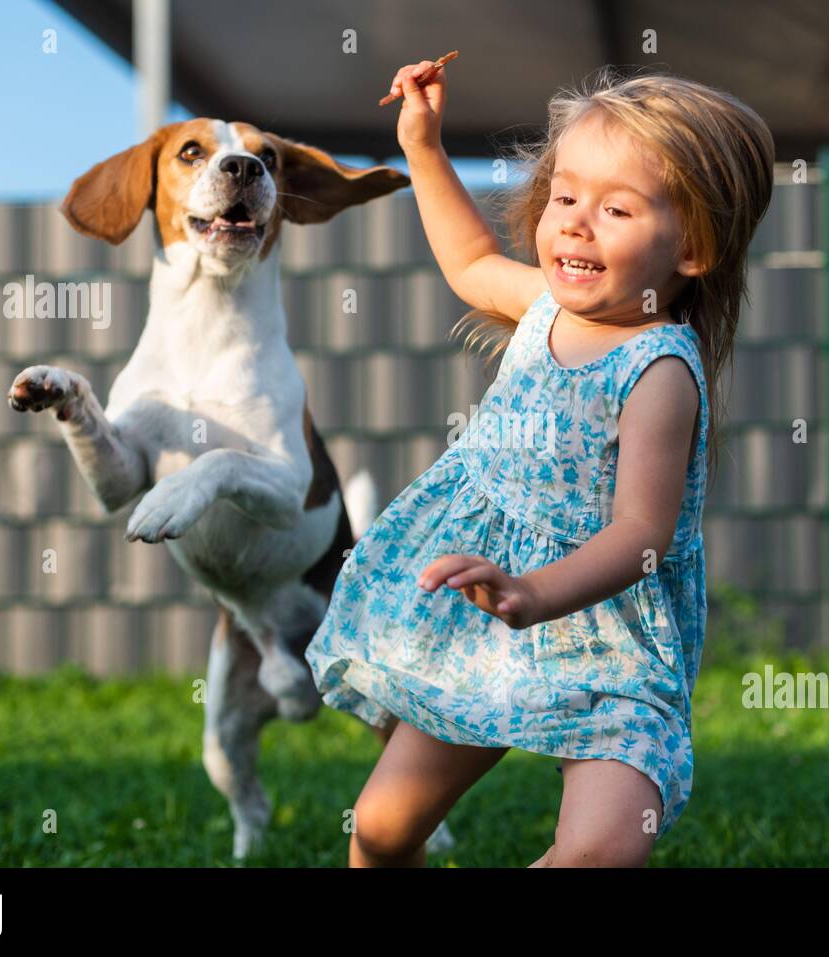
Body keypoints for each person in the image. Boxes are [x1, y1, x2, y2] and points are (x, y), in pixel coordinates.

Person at [304, 59, 774, 867]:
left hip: (608, 640)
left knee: (600, 850)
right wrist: (421, 145)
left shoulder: (658, 368)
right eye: (564, 196)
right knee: (379, 829)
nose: (575, 224)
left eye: (616, 208)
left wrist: (535, 592)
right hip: (488, 621)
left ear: (692, 246)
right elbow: (467, 261)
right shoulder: (546, 306)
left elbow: (640, 534)